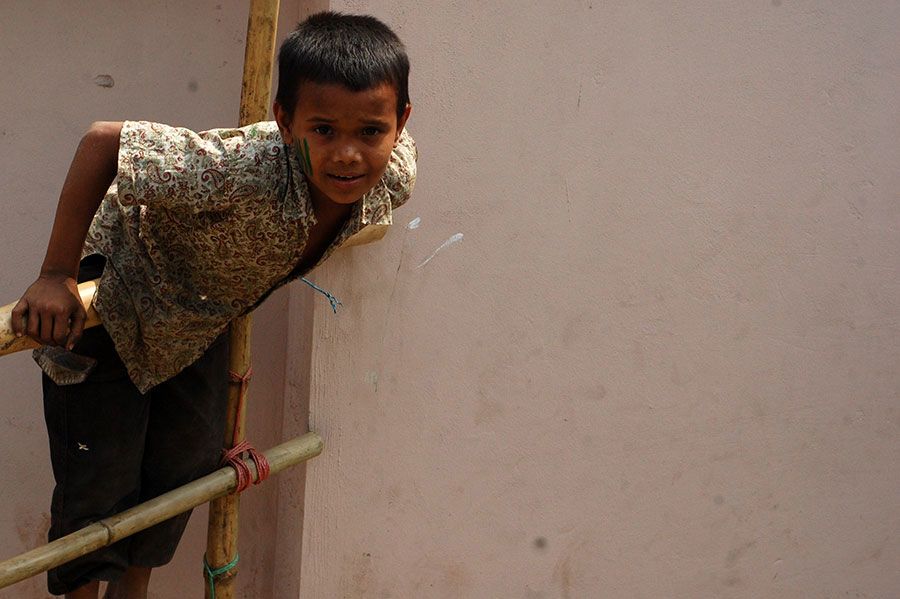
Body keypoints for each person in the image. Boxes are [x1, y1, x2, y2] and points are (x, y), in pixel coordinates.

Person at [10, 12, 415, 599]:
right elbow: (104, 141)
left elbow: (369, 167)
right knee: (99, 484)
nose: (348, 155)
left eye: (370, 132)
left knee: (180, 472)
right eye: (323, 130)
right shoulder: (242, 173)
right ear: (283, 122)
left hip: (199, 318)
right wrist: (56, 274)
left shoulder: (393, 174)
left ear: (400, 123)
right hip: (118, 298)